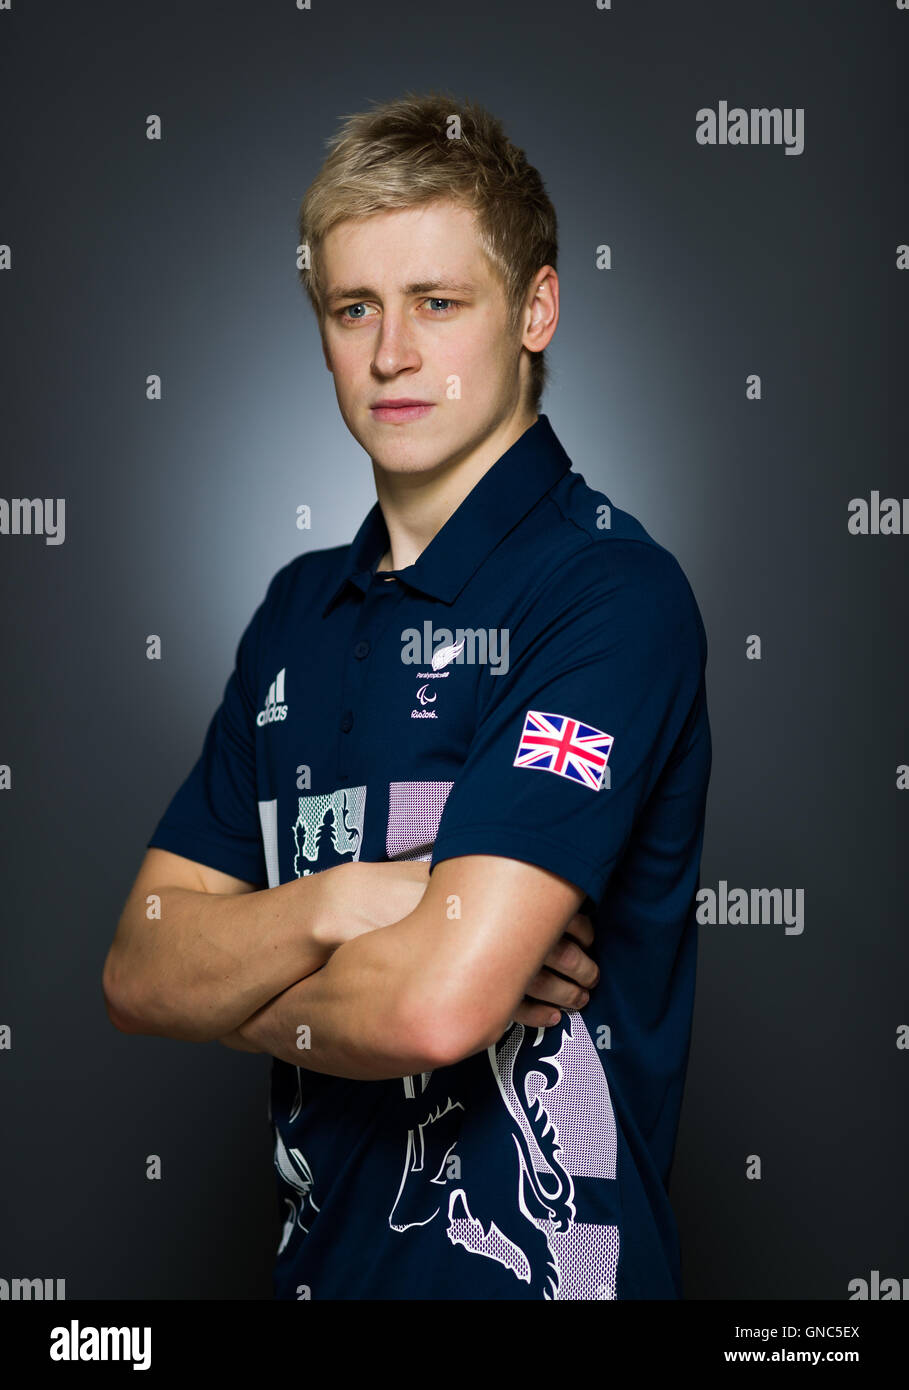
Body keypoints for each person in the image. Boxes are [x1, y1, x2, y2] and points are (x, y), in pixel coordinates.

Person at [103, 91, 712, 1301]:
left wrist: (236, 994)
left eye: (439, 302)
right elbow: (137, 968)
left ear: (536, 308)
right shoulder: (293, 614)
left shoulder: (610, 592)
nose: (392, 354)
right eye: (354, 309)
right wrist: (347, 903)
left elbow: (438, 1006)